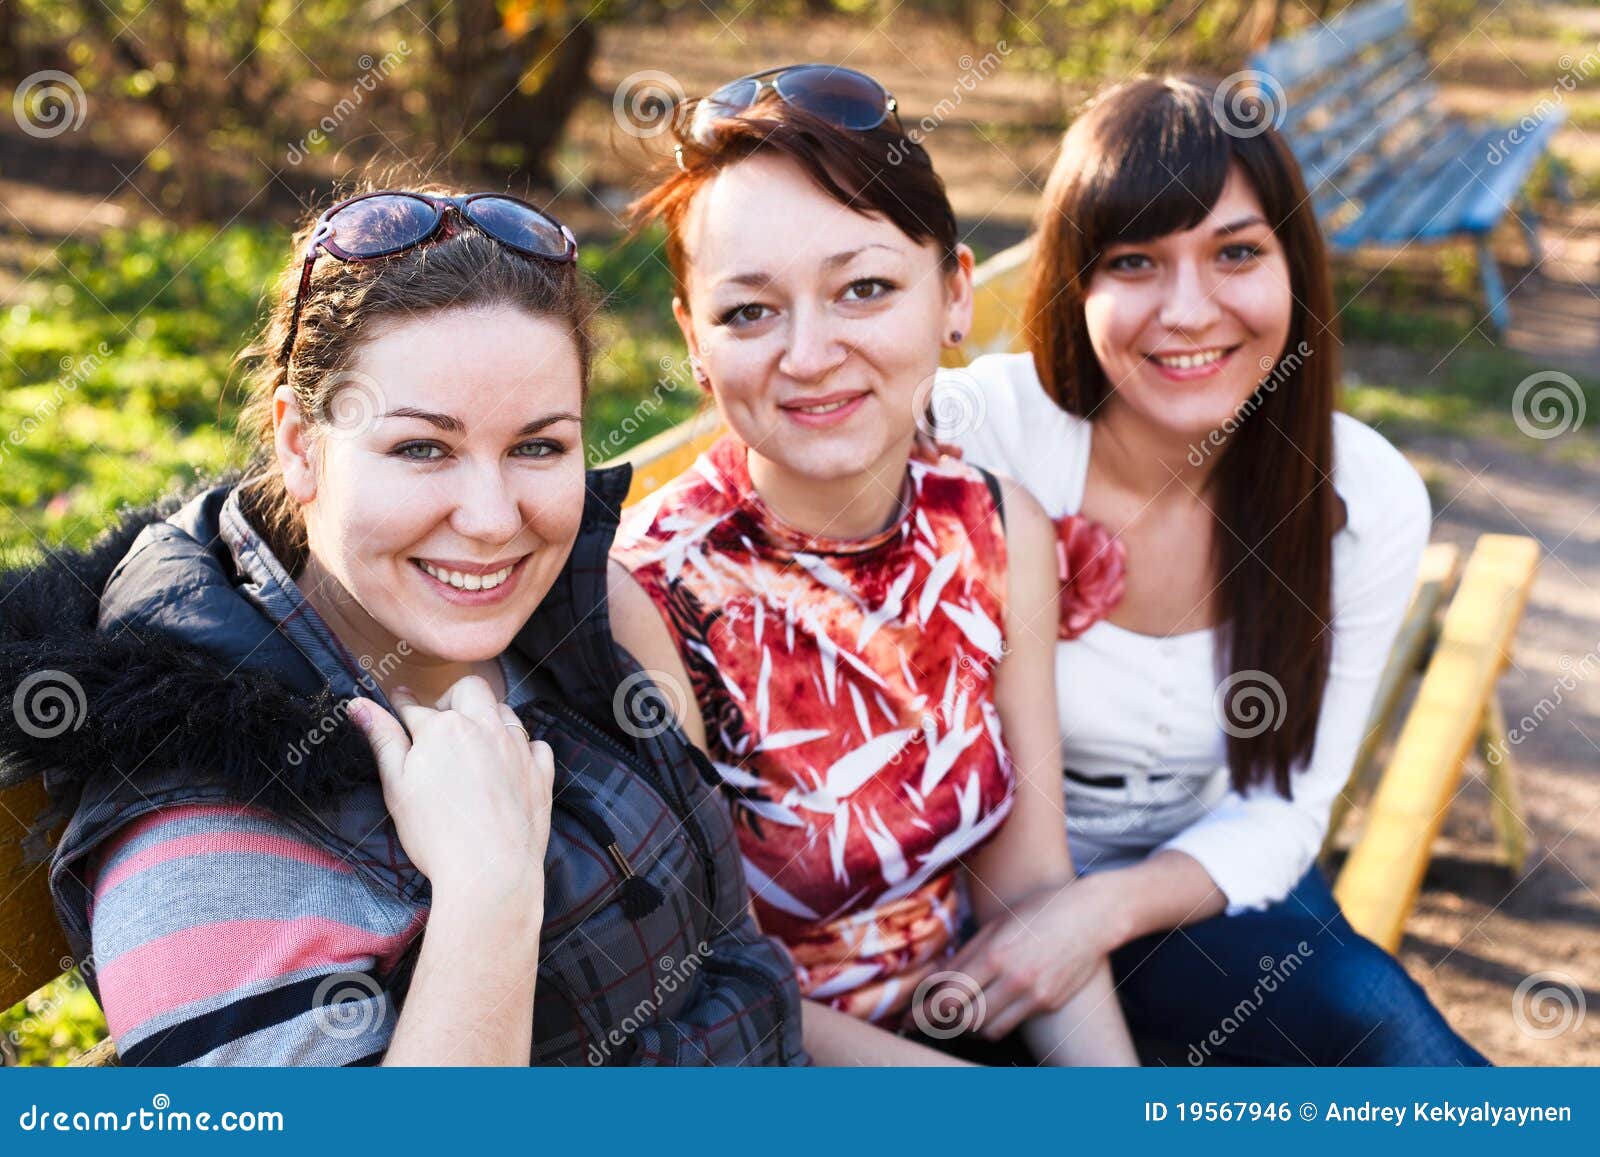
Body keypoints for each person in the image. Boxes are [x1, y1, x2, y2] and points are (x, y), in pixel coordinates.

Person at [0, 182, 805, 1067]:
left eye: (538, 446)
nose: (492, 519)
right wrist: (489, 893)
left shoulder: (589, 613)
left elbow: (747, 971)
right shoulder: (200, 845)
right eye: (422, 447)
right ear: (300, 446)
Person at [931, 75, 1489, 1065]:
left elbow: (1284, 808)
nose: (1188, 311)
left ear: (1295, 271)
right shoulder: (982, 433)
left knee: (1374, 1022)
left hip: (1199, 884)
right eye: (1134, 261)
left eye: (1235, 252)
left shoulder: (1362, 498)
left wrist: (1097, 912)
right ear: (1075, 285)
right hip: (963, 902)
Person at [607, 65, 1137, 1065]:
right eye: (749, 311)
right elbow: (707, 975)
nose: (809, 354)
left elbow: (1028, 888)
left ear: (953, 295)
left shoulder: (994, 526)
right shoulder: (654, 594)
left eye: (864, 288)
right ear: (693, 340)